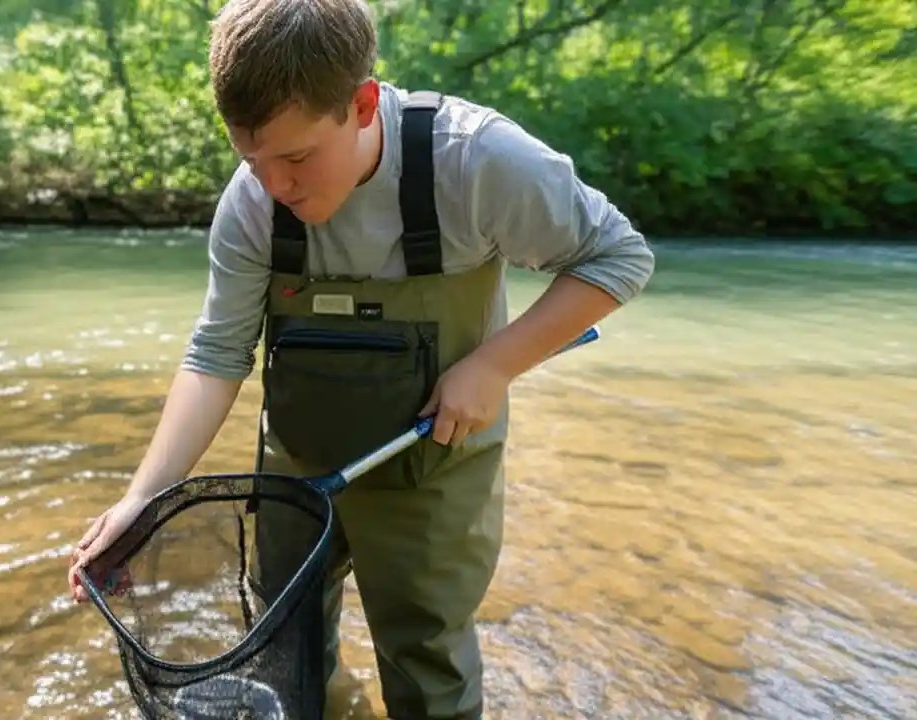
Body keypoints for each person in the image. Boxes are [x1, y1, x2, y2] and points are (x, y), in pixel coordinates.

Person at [69, 0, 655, 717]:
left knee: (426, 657)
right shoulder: (252, 203)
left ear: (364, 103)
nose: (275, 186)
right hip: (296, 466)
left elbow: (619, 257)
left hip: (432, 462)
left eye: (295, 157)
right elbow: (217, 354)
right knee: (283, 644)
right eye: (251, 160)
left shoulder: (476, 162)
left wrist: (494, 365)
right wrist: (142, 500)